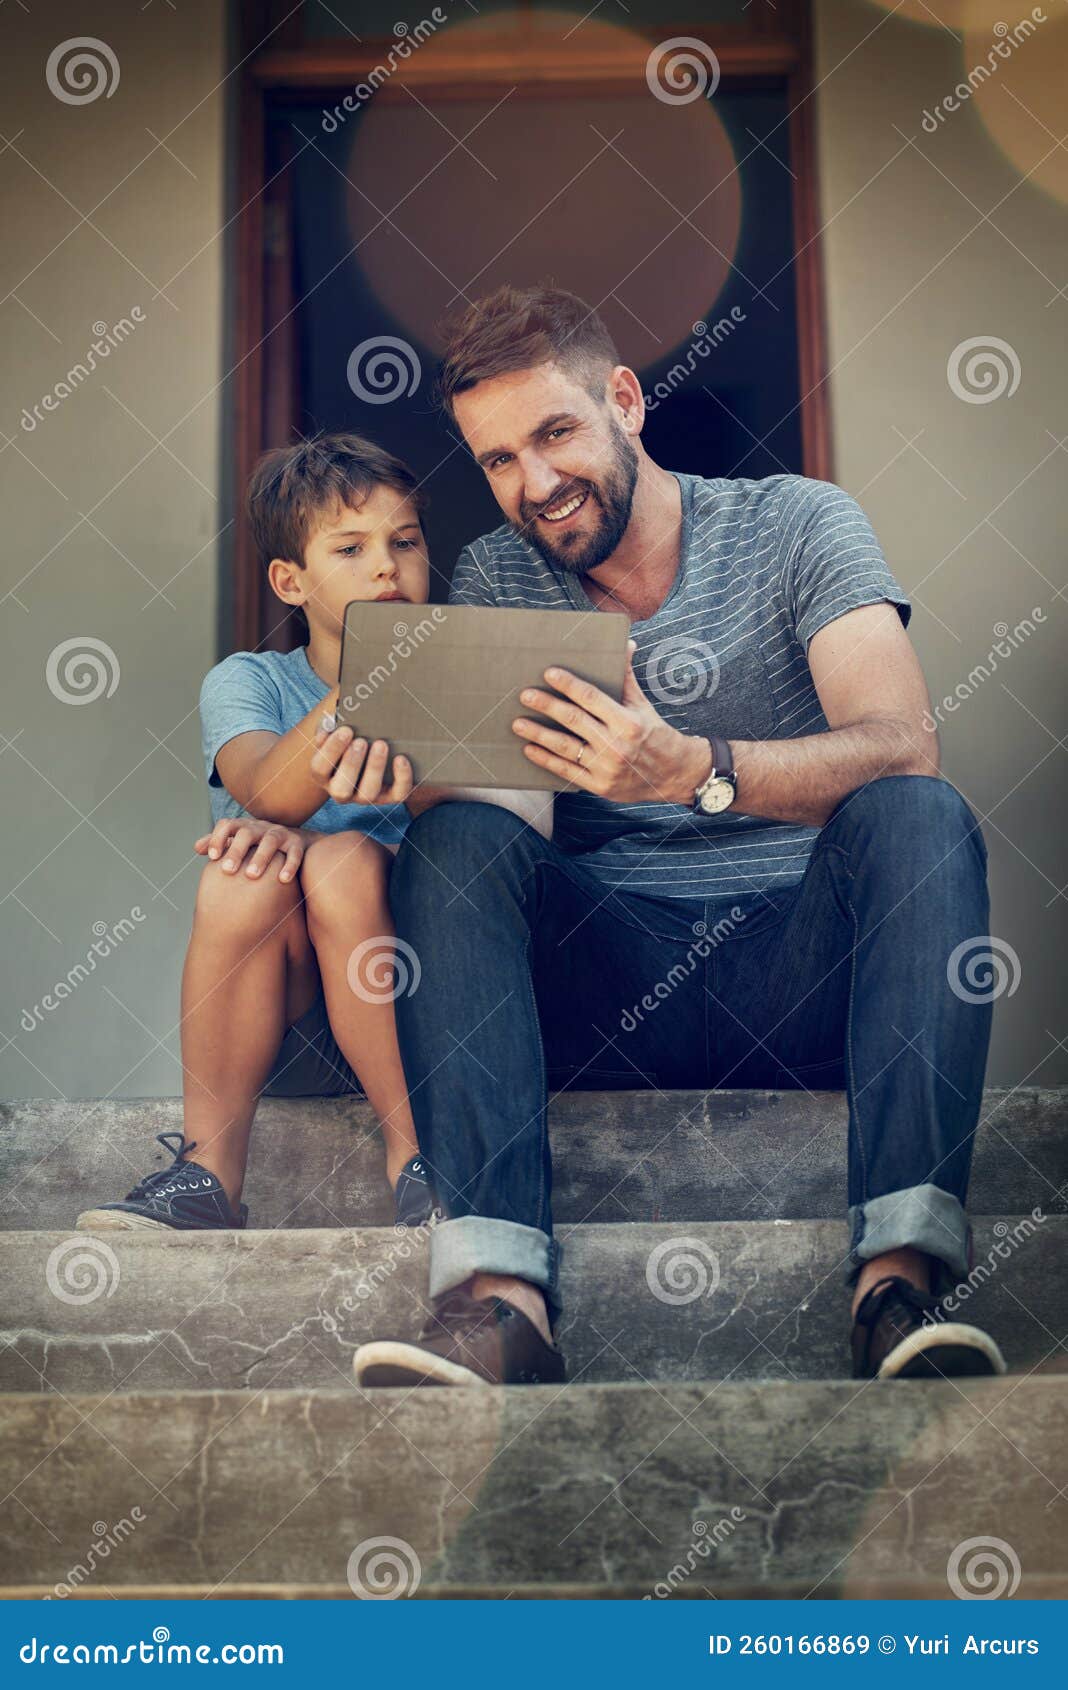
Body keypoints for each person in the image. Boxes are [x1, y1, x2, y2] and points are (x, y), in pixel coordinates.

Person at [352, 284, 1006, 1387]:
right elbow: (497, 835)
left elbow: (904, 744)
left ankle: (897, 1286)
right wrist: (408, 788)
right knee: (454, 841)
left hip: (800, 972)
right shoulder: (497, 578)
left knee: (919, 812)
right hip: (607, 983)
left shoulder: (797, 521)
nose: (537, 484)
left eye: (555, 433)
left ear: (623, 401)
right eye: (499, 460)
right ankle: (503, 1306)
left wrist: (694, 769)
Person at [75, 433, 500, 1234]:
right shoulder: (250, 681)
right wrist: (371, 681)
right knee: (242, 870)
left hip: (428, 1002)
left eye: (404, 543)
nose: (387, 567)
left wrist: (416, 686)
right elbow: (267, 790)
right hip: (285, 1020)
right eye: (352, 548)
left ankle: (423, 1161)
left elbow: (476, 836)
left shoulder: (465, 685)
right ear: (289, 581)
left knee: (340, 860)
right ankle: (206, 1174)